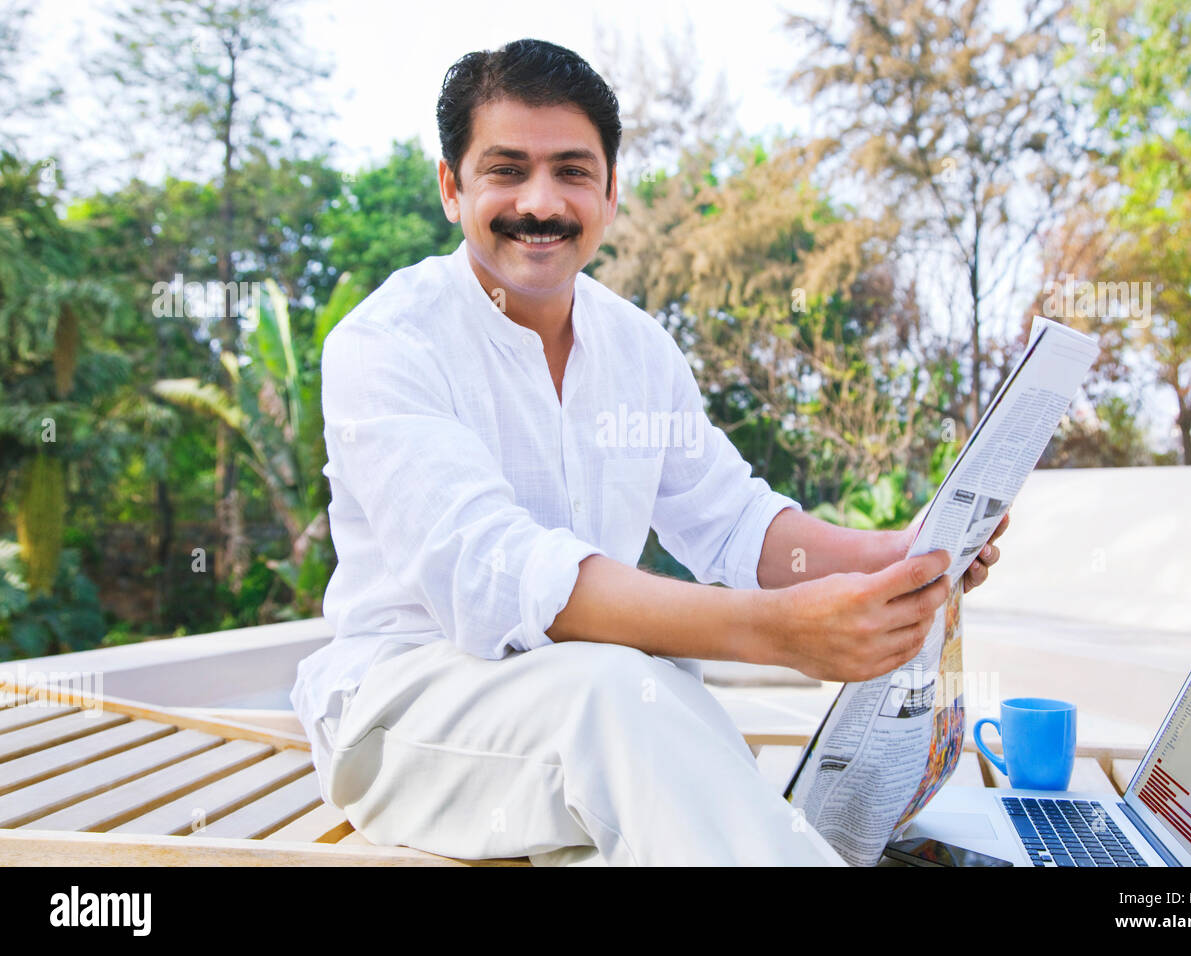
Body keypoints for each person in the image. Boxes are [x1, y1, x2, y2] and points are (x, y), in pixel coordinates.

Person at [289, 37, 1008, 867]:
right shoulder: (386, 344)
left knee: (651, 746)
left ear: (611, 192)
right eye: (506, 169)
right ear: (452, 187)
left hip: (595, 721)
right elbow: (496, 569)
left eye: (571, 170)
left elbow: (734, 521)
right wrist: (777, 632)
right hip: (404, 719)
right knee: (616, 694)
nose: (541, 201)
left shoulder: (638, 347)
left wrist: (896, 556)